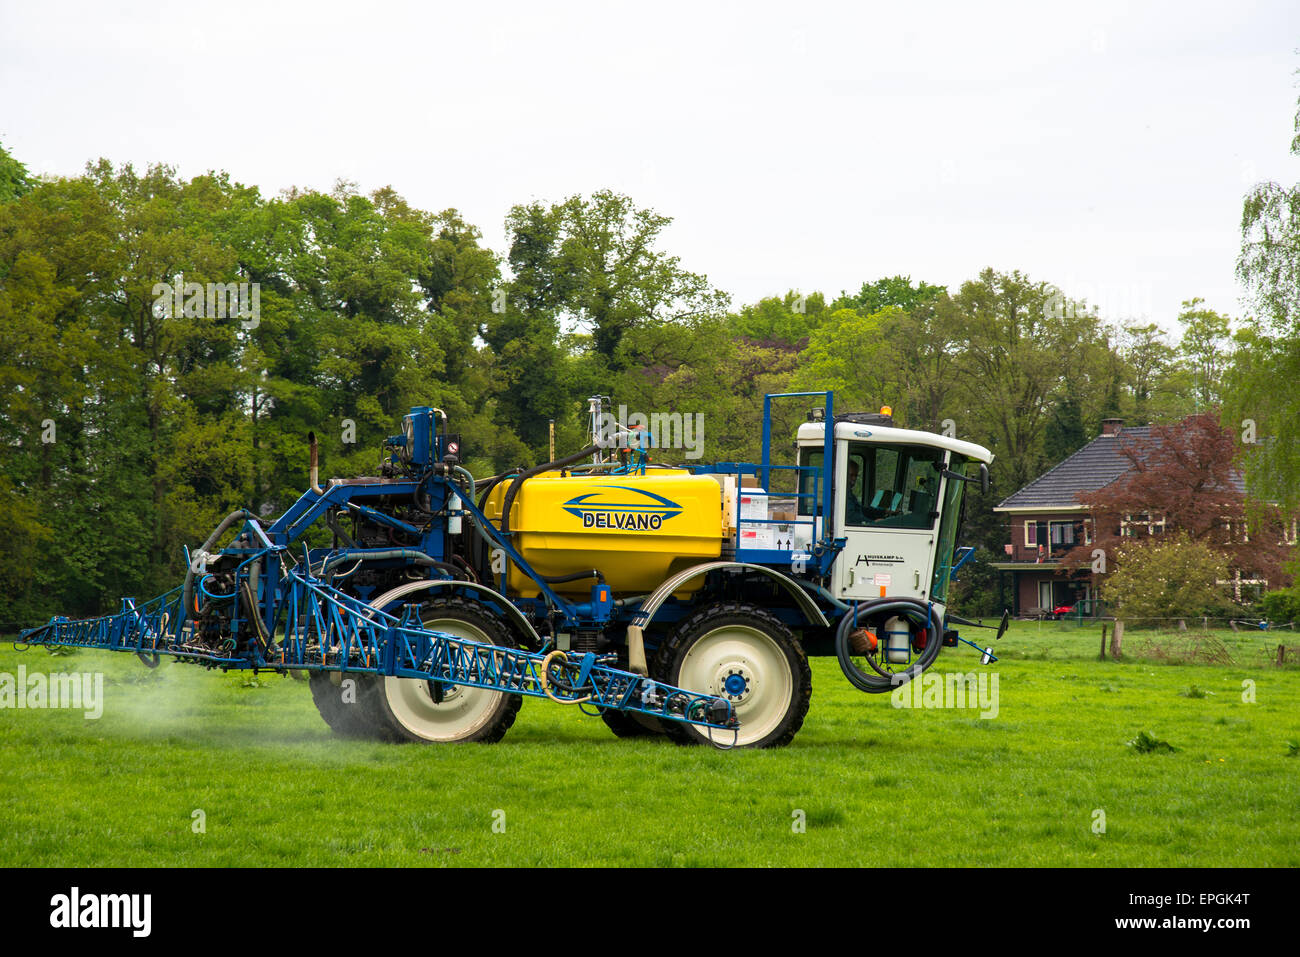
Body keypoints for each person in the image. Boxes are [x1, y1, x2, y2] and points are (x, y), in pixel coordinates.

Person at [845, 459, 866, 525]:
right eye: (851, 475)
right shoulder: (843, 494)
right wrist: (871, 522)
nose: (854, 478)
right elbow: (851, 516)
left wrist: (883, 512)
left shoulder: (849, 493)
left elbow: (861, 509)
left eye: (856, 476)